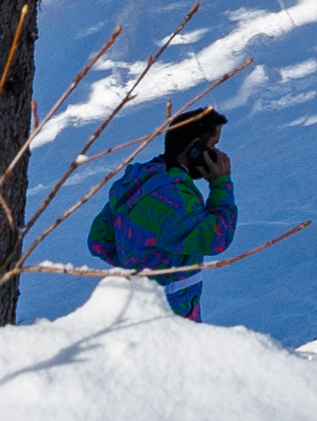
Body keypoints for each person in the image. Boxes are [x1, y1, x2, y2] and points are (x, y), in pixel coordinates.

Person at [83, 102, 239, 312]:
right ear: (194, 149)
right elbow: (218, 239)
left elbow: (99, 240)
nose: (218, 154)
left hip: (135, 310)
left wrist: (139, 266)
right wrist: (221, 184)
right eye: (212, 146)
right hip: (171, 317)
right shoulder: (176, 197)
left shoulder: (137, 181)